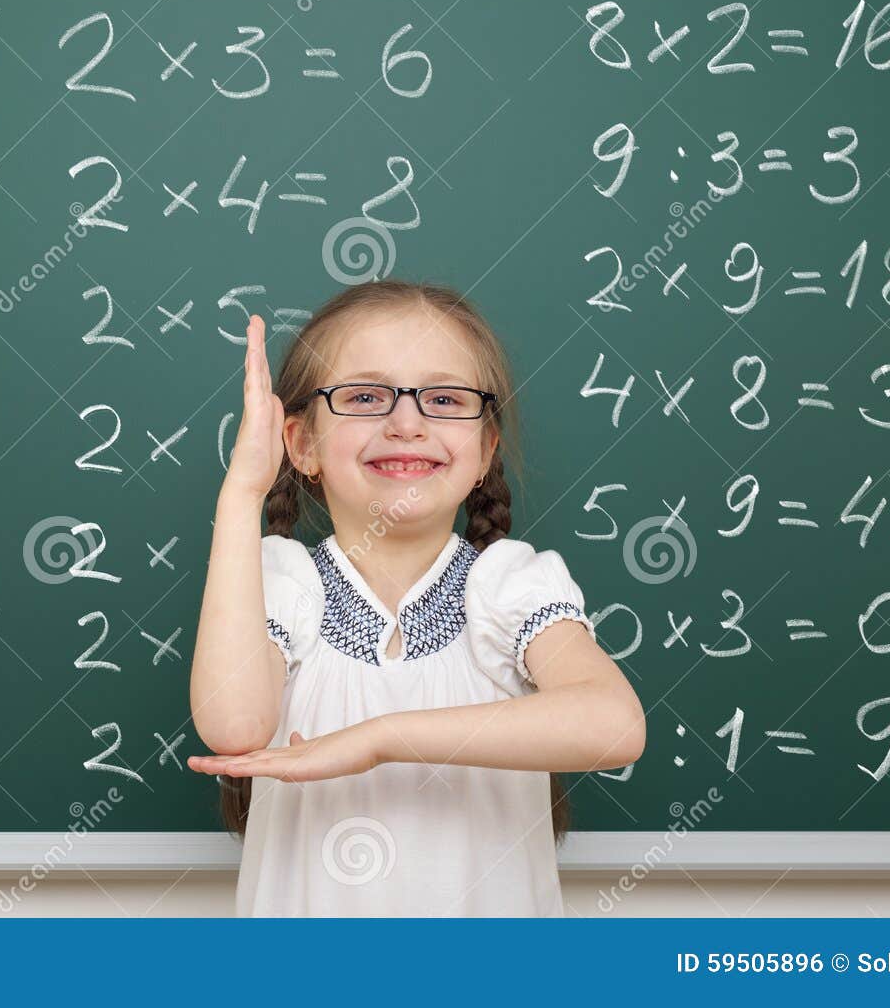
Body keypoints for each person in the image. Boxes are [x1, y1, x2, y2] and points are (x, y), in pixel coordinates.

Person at [188, 280, 645, 916]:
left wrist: (381, 738)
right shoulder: (281, 586)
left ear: (485, 450)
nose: (407, 423)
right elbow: (234, 727)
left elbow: (614, 726)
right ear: (302, 445)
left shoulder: (511, 585)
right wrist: (241, 493)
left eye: (445, 399)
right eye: (366, 397)